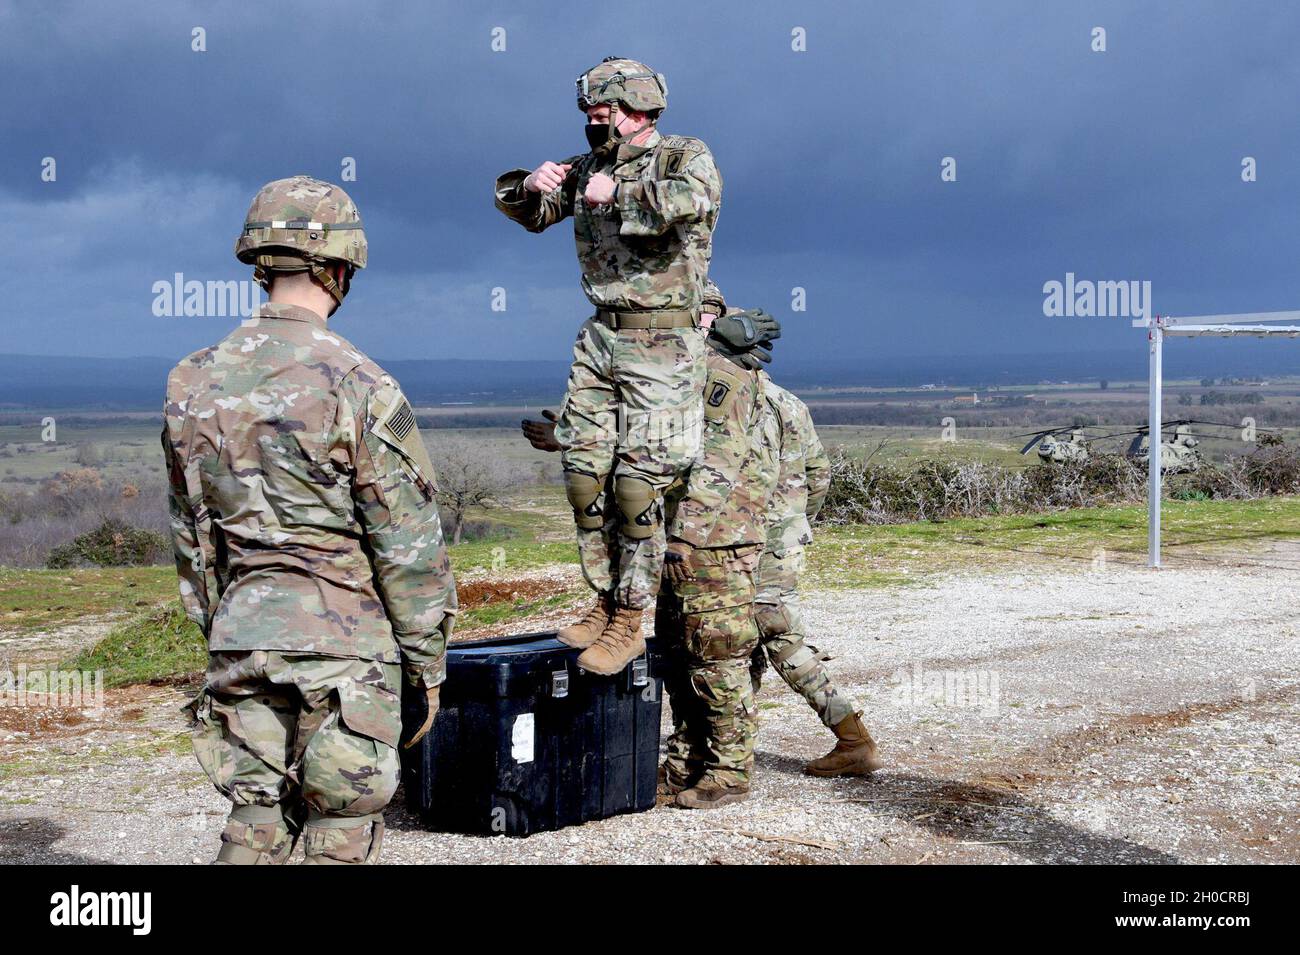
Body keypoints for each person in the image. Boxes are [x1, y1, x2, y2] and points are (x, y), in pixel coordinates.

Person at [164, 175, 456, 864]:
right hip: (344, 649)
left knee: (254, 819)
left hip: (241, 635)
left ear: (261, 264)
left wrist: (223, 626)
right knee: (339, 823)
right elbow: (406, 543)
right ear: (339, 269)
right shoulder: (361, 383)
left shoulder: (191, 379)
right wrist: (427, 661)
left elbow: (193, 535)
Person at [496, 57, 723, 676]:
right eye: (590, 113)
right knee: (584, 474)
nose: (596, 122)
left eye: (605, 112)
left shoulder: (683, 156)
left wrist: (617, 193)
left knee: (638, 486)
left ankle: (630, 616)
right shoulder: (588, 165)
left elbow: (695, 202)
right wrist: (530, 186)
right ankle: (601, 599)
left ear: (640, 108)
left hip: (664, 344)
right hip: (602, 338)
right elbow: (532, 215)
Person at [751, 378, 883, 776]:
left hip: (748, 541)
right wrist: (793, 521)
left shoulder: (728, 396)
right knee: (748, 635)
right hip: (782, 539)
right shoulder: (788, 400)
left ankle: (853, 739)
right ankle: (726, 736)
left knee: (775, 636)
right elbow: (819, 473)